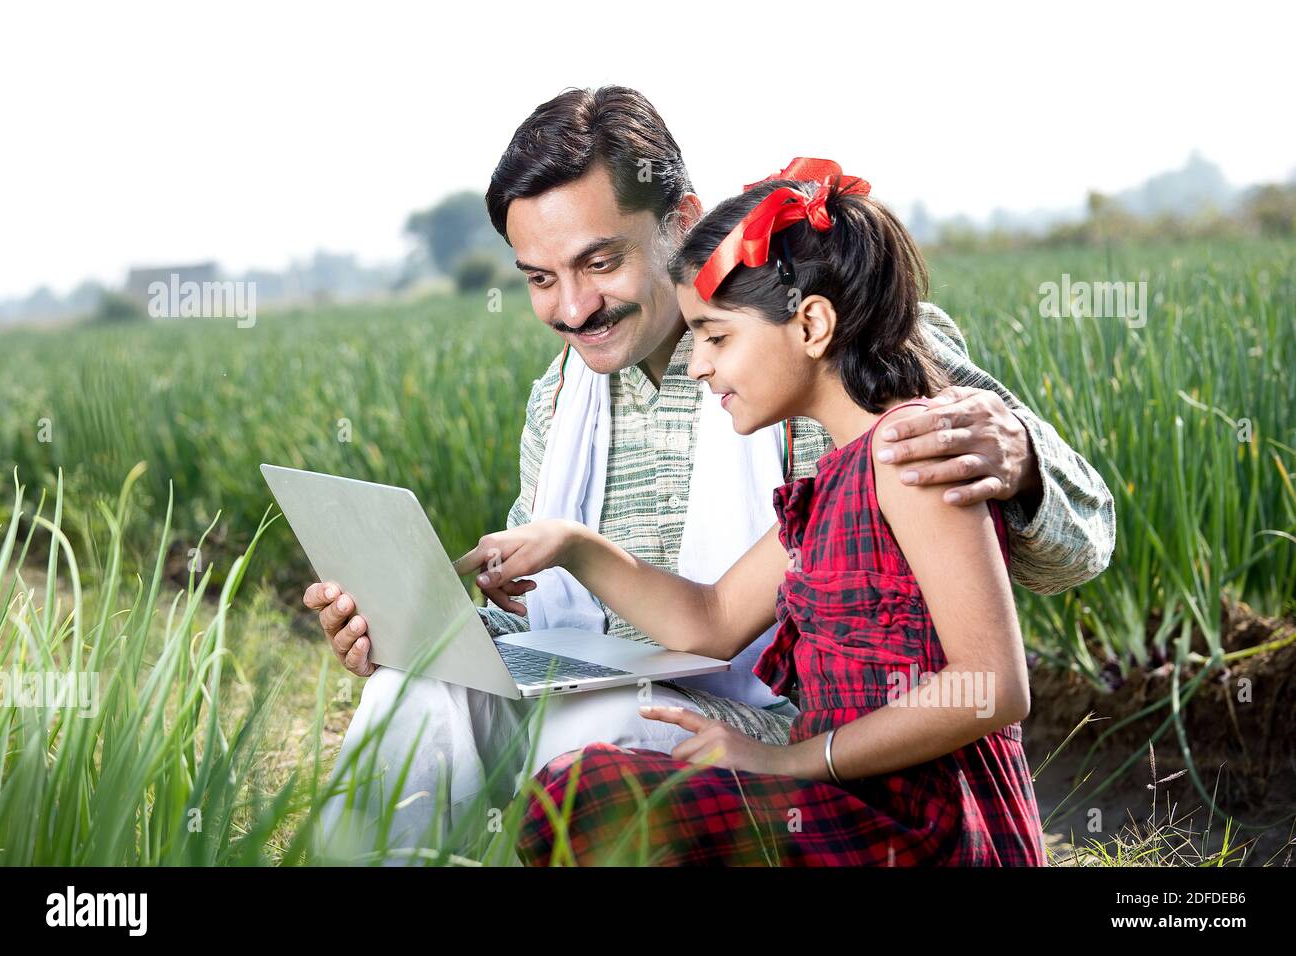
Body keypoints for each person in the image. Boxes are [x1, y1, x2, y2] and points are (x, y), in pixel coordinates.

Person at [307, 88, 1113, 855]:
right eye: (541, 280)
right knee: (404, 697)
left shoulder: (837, 343)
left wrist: (1022, 462)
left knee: (587, 742)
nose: (574, 308)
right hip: (612, 699)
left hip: (801, 739)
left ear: (678, 224)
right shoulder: (561, 404)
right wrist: (420, 633)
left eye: (600, 262)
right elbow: (565, 626)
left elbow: (1082, 545)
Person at [456, 160, 1048, 865]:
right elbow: (707, 621)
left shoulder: (907, 453)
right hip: (844, 795)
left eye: (717, 336)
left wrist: (793, 763)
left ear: (812, 324)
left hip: (929, 823)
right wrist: (572, 544)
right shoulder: (825, 490)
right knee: (589, 792)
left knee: (595, 795)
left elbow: (995, 690)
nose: (700, 364)